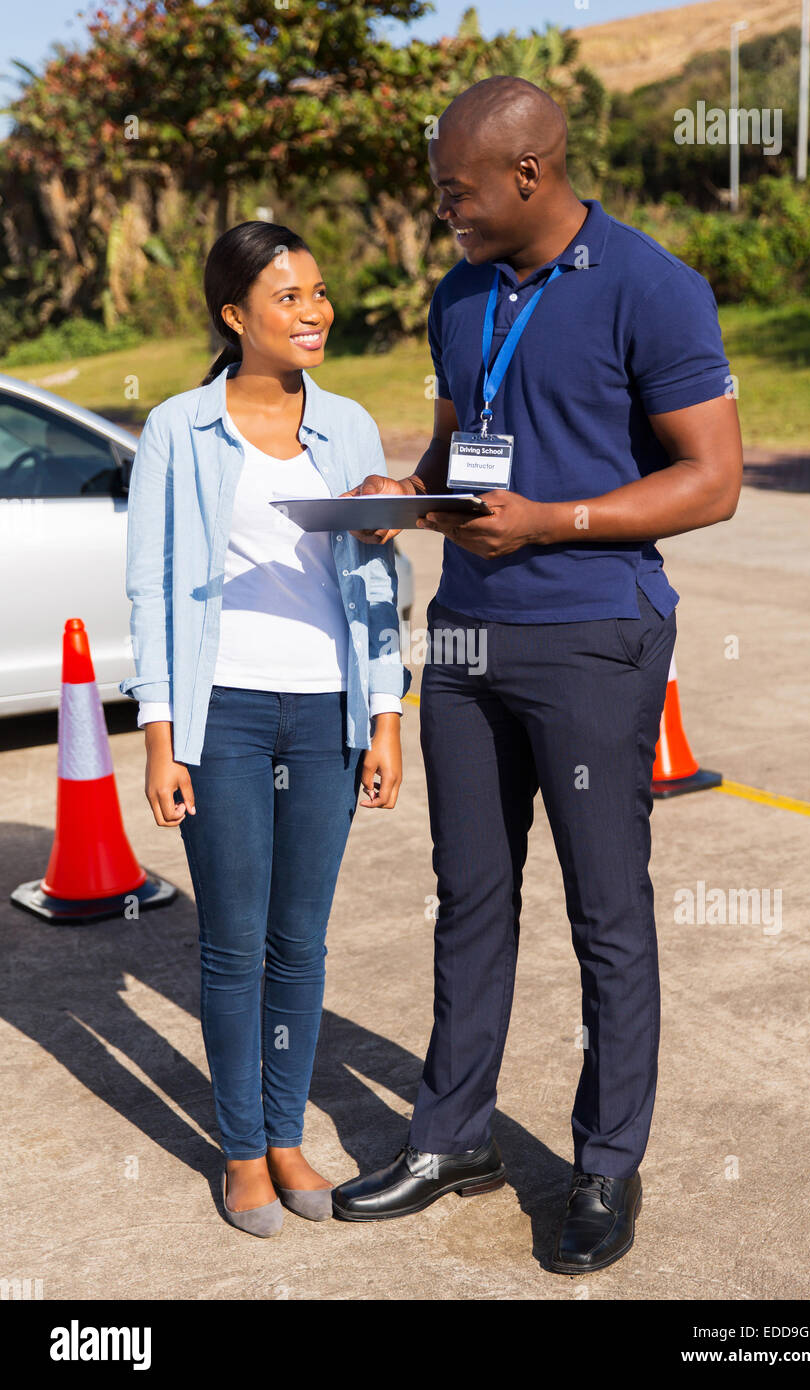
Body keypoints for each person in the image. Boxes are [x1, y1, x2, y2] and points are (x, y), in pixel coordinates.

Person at [331, 77, 742, 1274]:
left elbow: (710, 479)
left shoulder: (652, 287)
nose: (442, 212)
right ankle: (452, 1135)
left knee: (604, 913)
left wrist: (552, 520)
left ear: (527, 174)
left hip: (589, 635)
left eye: (456, 193)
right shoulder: (456, 294)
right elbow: (461, 443)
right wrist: (400, 500)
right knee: (467, 897)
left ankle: (605, 1165)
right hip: (463, 636)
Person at [120, 222, 409, 1237]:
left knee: (301, 945)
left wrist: (386, 714)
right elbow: (151, 588)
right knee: (235, 945)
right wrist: (162, 737)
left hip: (326, 715)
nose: (315, 311)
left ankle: (288, 1135)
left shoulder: (352, 429)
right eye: (288, 297)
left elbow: (381, 580)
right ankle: (241, 1148)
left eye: (319, 292)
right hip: (225, 715)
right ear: (235, 316)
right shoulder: (177, 430)